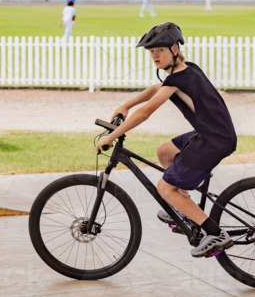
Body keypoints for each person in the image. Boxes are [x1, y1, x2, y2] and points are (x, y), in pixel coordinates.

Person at [96, 23, 238, 258]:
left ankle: (216, 233)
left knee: (164, 188)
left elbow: (145, 113)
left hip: (214, 141)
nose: (154, 56)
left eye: (159, 51)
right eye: (151, 52)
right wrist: (126, 105)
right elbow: (156, 87)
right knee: (164, 151)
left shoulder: (177, 80)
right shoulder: (186, 70)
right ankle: (184, 207)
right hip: (211, 133)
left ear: (174, 48)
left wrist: (111, 137)